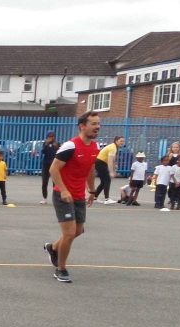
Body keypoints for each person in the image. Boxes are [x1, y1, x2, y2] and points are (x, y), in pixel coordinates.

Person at [44, 111, 100, 283]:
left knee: (78, 231)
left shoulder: (95, 147)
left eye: (98, 124)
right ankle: (60, 269)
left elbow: (90, 170)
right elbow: (53, 169)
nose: (97, 127)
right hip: (63, 195)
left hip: (78, 195)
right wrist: (63, 190)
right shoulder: (70, 146)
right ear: (82, 126)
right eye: (93, 124)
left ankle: (53, 247)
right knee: (68, 233)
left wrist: (91, 191)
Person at [94, 135, 125, 204]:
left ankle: (94, 197)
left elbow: (113, 161)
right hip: (100, 163)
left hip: (101, 163)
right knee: (107, 180)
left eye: (123, 141)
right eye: (121, 141)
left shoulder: (115, 147)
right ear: (116, 141)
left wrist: (114, 170)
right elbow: (110, 160)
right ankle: (107, 199)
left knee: (103, 182)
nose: (122, 142)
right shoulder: (113, 147)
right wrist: (111, 172)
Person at [40, 132, 59, 204]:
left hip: (54, 165)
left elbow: (60, 153)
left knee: (55, 183)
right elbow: (43, 152)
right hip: (46, 165)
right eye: (49, 136)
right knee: (44, 182)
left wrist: (57, 147)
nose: (51, 138)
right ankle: (44, 198)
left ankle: (56, 199)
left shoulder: (57, 143)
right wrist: (46, 144)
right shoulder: (45, 143)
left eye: (52, 136)